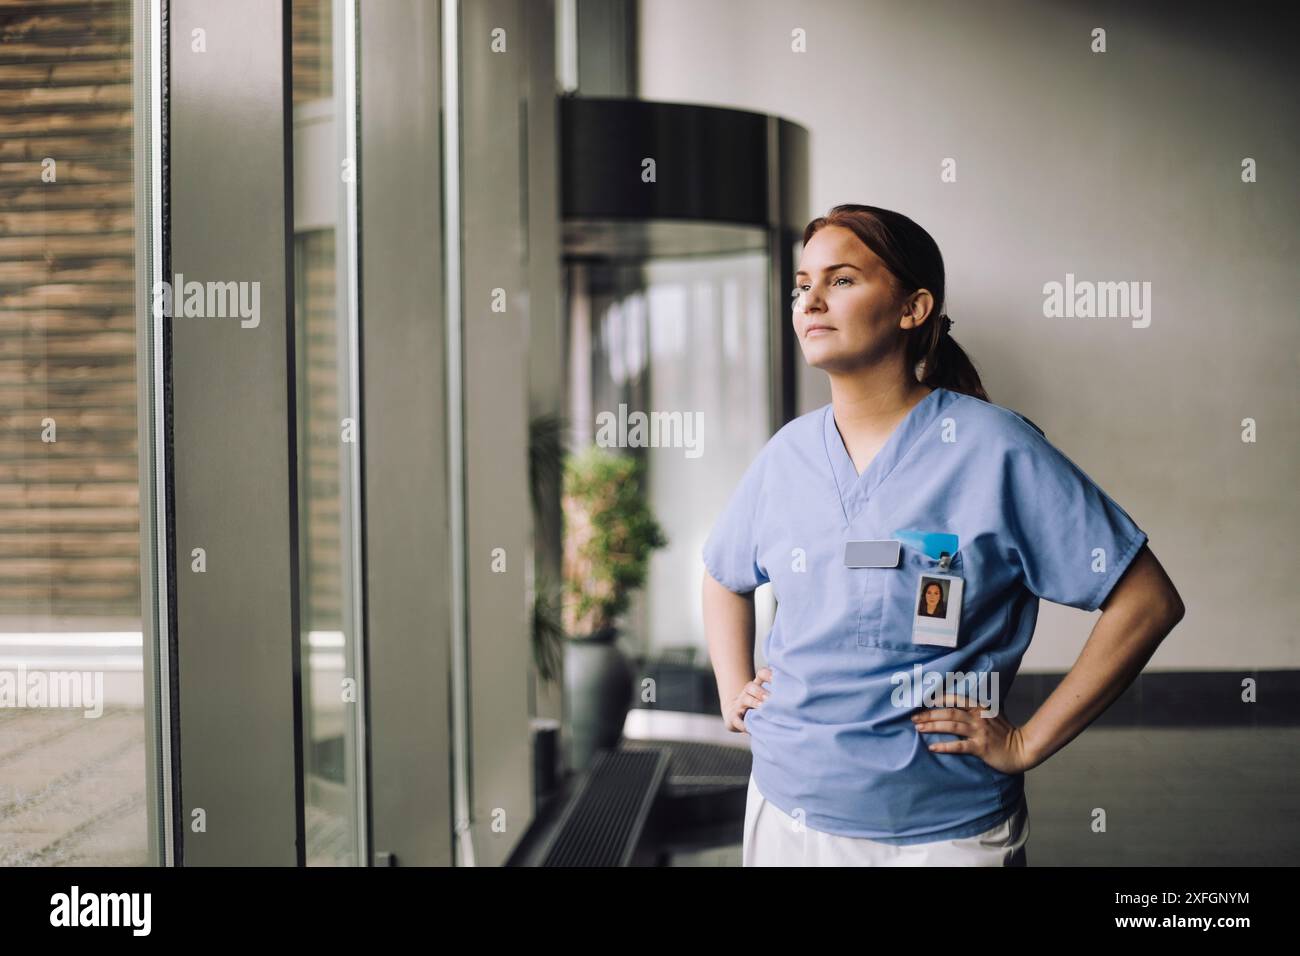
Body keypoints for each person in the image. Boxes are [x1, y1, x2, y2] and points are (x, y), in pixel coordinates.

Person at [701, 204, 1185, 867]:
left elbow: (1147, 601)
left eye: (841, 280)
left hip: (943, 830)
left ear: (913, 307)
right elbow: (723, 574)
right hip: (790, 807)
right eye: (801, 284)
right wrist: (734, 691)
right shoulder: (787, 456)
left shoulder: (995, 448)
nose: (811, 299)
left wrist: (1027, 743)